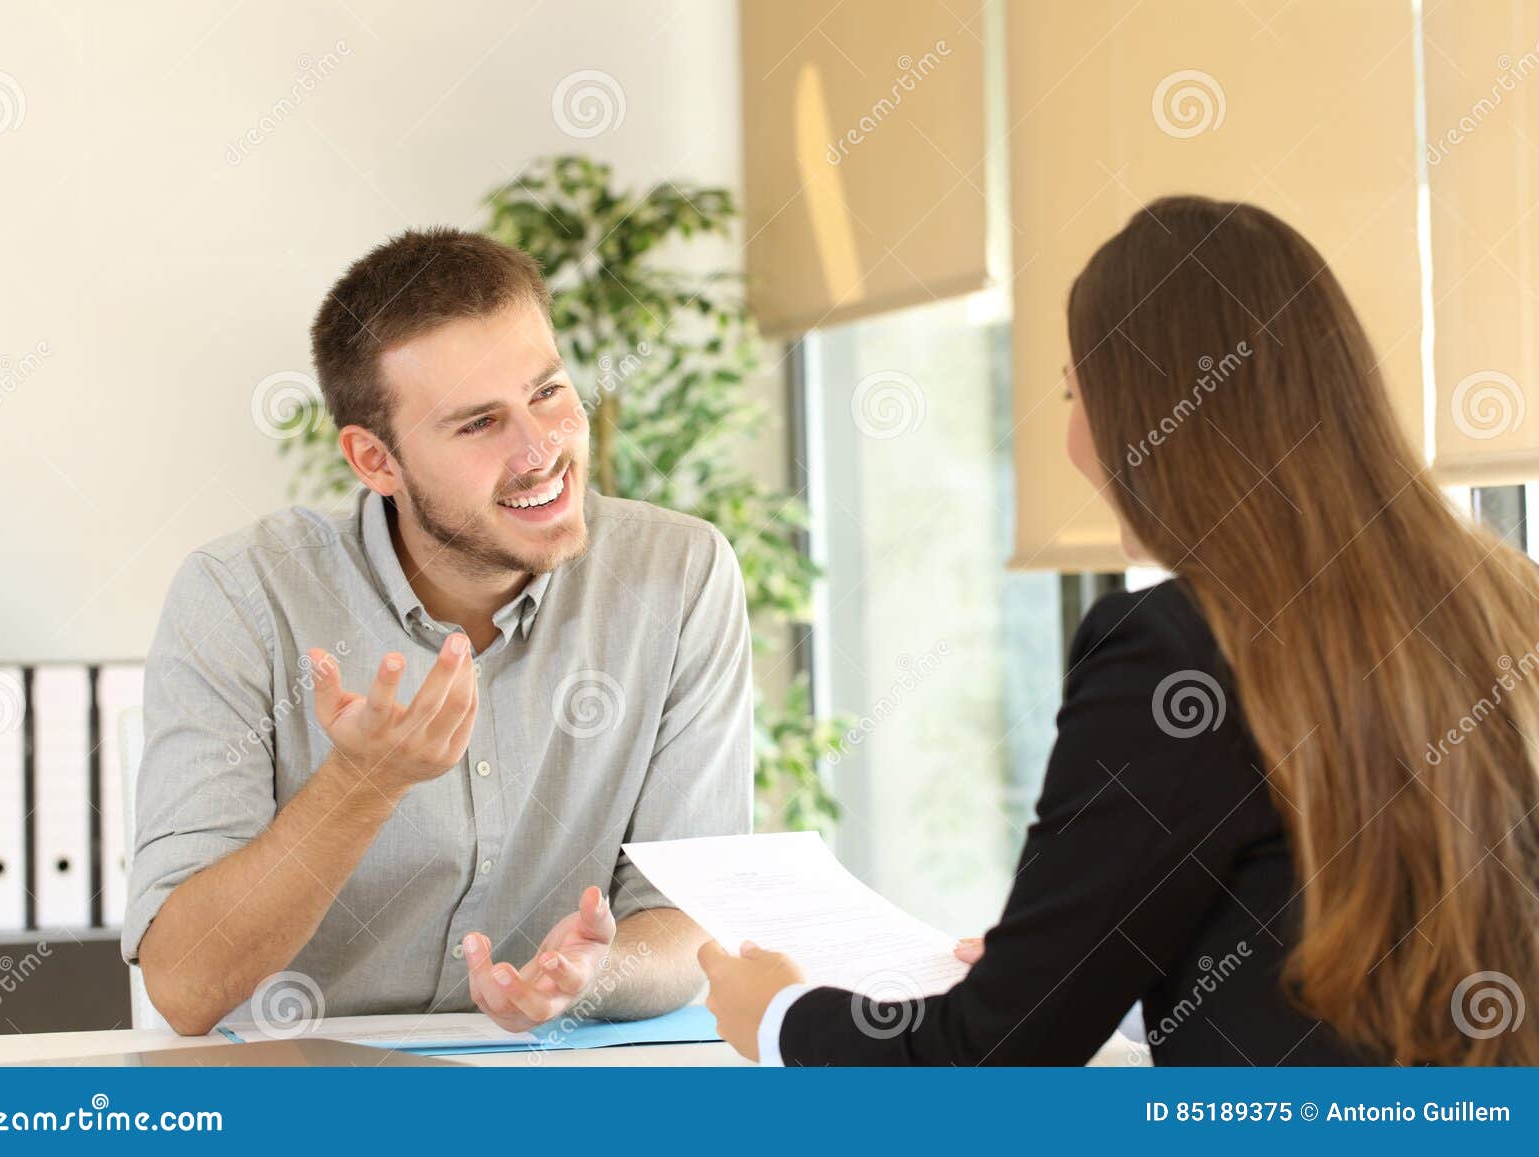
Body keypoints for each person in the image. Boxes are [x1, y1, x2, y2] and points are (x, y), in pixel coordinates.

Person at [700, 195, 1539, 1066]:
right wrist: (1097, 965)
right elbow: (1357, 962)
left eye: (1076, 392)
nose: (1069, 438)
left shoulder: (1177, 647)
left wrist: (779, 1013)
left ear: (1154, 413)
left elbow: (988, 1059)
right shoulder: (1508, 605)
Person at [124, 227, 752, 1035]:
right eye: (479, 423)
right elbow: (185, 983)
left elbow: (684, 922)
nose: (542, 451)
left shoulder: (680, 574)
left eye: (549, 393)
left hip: (550, 1077)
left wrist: (594, 974)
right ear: (375, 460)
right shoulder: (241, 598)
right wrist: (363, 783)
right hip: (305, 1088)